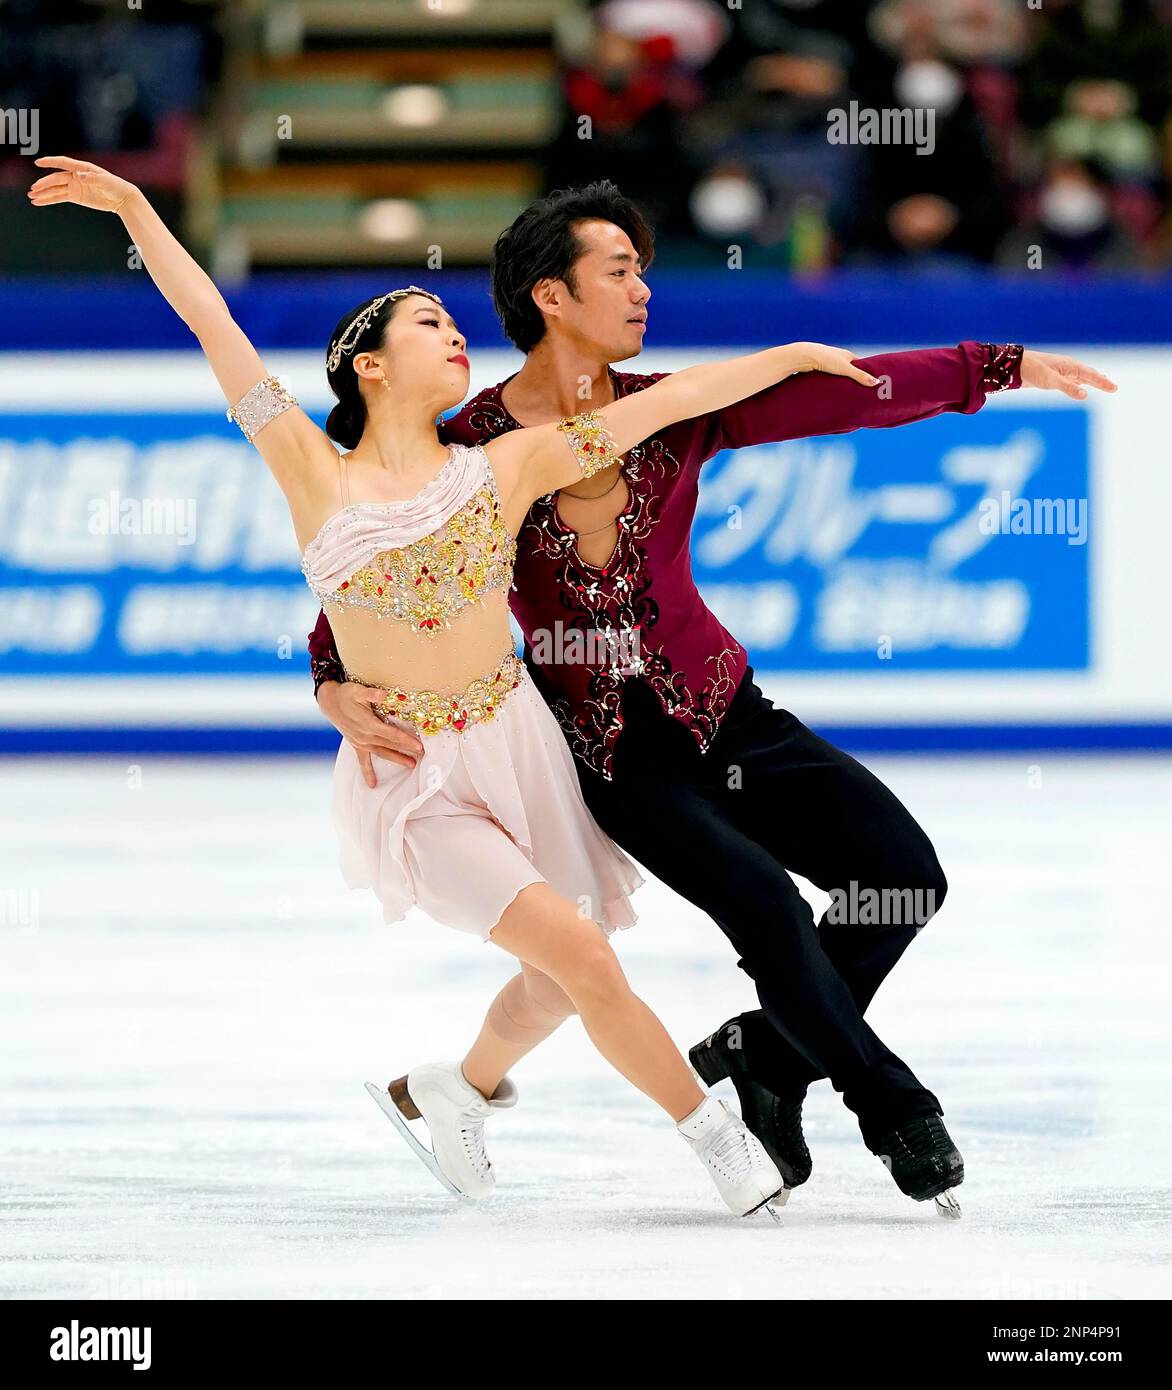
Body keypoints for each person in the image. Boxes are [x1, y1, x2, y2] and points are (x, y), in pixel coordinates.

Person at [27, 154, 890, 1218]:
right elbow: (212, 324)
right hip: (413, 771)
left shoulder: (505, 463)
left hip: (517, 740)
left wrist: (793, 352)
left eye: (451, 321)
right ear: (369, 367)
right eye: (426, 323)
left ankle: (457, 1087)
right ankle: (718, 1143)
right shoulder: (306, 462)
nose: (453, 334)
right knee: (576, 950)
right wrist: (135, 208)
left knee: (564, 969)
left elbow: (663, 406)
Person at [307, 181, 1115, 1215]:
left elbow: (837, 387)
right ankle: (892, 1106)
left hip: (728, 713)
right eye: (618, 270)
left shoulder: (673, 407)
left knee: (900, 878)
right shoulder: (468, 448)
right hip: (613, 758)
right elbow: (373, 572)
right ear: (550, 295)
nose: (642, 289)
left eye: (641, 269)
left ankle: (764, 1061)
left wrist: (989, 367)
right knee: (767, 908)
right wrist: (331, 680)